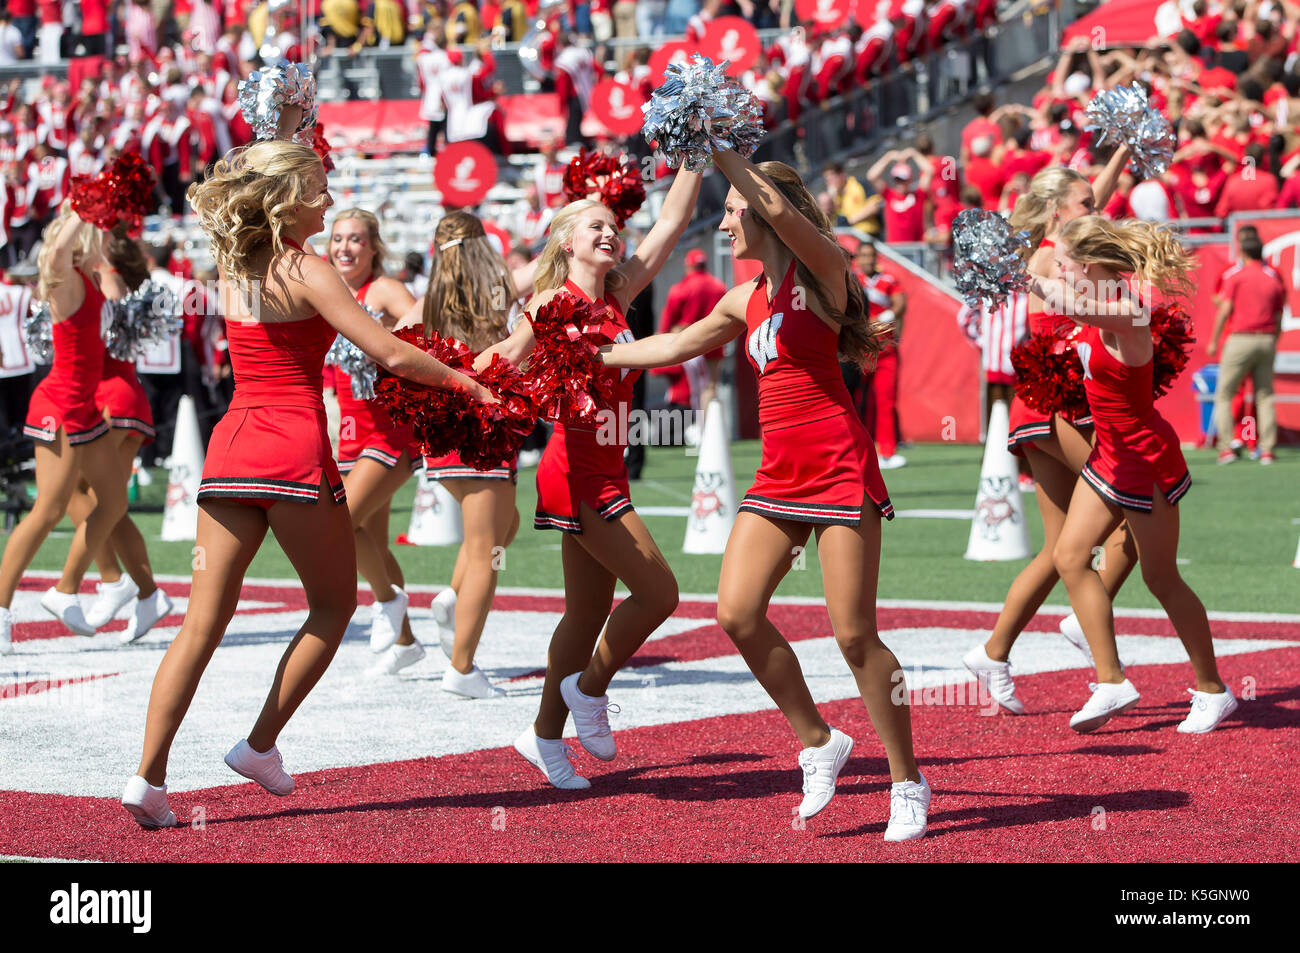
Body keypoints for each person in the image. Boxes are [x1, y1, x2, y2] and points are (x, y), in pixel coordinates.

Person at [120, 140, 496, 828]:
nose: (329, 195)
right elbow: (384, 349)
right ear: (289, 199)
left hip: (230, 447)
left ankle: (148, 777)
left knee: (201, 621)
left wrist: (289, 127)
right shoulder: (309, 268)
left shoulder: (234, 261)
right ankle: (260, 743)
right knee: (332, 606)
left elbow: (248, 170)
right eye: (318, 186)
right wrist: (462, 381)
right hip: (293, 450)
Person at [601, 156, 930, 842]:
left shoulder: (824, 270)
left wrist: (720, 149)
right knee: (737, 611)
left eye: (730, 211)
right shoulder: (741, 297)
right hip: (779, 472)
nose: (724, 223)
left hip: (838, 462)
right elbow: (674, 345)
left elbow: (784, 214)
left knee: (853, 633)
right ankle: (819, 740)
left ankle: (908, 780)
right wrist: (592, 358)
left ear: (760, 207)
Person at [475, 168, 702, 791]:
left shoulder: (617, 293)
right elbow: (504, 355)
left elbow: (671, 225)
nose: (608, 232)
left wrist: (698, 155)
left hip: (608, 469)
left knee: (586, 613)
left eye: (612, 225)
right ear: (566, 241)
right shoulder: (553, 302)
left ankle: (543, 735)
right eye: (593, 225)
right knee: (660, 595)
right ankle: (588, 688)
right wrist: (443, 378)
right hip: (575, 472)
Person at [1028, 216, 1237, 733]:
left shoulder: (1127, 310)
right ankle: (1112, 680)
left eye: (1067, 263)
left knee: (1160, 577)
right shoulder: (1101, 302)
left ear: (1092, 265)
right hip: (1109, 456)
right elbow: (1066, 299)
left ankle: (1214, 690)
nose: (1060, 269)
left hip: (1145, 460)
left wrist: (1027, 280)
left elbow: (1074, 304)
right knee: (1070, 557)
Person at [962, 159, 1142, 714]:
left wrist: (1121, 152)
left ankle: (993, 652)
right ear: (1057, 209)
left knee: (1061, 546)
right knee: (1140, 506)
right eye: (1085, 204)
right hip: (1054, 405)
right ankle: (1092, 635)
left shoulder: (1068, 241)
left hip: (1043, 410)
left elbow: (1097, 199)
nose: (1097, 209)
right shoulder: (1049, 254)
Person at [409, 212, 535, 696]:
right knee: (488, 551)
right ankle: (462, 669)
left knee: (504, 529)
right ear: (483, 246)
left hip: (445, 436)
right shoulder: (498, 291)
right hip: (482, 430)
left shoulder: (427, 302)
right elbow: (545, 268)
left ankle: (452, 598)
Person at [0, 206, 133, 652]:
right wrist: (84, 206)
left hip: (86, 411)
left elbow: (117, 293)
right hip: (58, 406)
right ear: (81, 239)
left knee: (113, 501)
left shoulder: (90, 275)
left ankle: (66, 589)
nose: (107, 238)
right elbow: (56, 249)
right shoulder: (66, 276)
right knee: (48, 510)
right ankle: (0, 608)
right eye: (100, 233)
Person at [57, 228, 174, 643]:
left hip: (113, 400)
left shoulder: (108, 280)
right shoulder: (107, 279)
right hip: (110, 397)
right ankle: (144, 593)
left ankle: (97, 583)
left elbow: (95, 328)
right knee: (104, 501)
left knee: (86, 493)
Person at [325, 209, 423, 663]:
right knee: (373, 542)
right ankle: (404, 641)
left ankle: (386, 601)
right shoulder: (326, 292)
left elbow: (422, 325)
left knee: (339, 524)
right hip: (347, 433)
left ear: (374, 248)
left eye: (356, 240)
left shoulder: (381, 290)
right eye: (338, 238)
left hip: (390, 432)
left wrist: (386, 337)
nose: (345, 247)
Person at [1209, 226, 1285, 466]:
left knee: (1224, 393)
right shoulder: (1273, 278)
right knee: (1265, 395)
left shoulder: (1237, 276)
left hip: (1240, 338)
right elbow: (1279, 314)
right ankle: (1267, 450)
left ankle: (1226, 449)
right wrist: (1275, 338)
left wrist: (1213, 339)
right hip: (1266, 339)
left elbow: (1224, 310)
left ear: (1243, 253)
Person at [853, 240, 906, 469]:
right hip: (859, 349)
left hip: (885, 350)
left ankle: (886, 450)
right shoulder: (851, 280)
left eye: (871, 255)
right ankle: (856, 450)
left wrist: (883, 319)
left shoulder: (888, 280)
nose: (868, 259)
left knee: (886, 400)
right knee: (856, 400)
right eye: (863, 255)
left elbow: (900, 304)